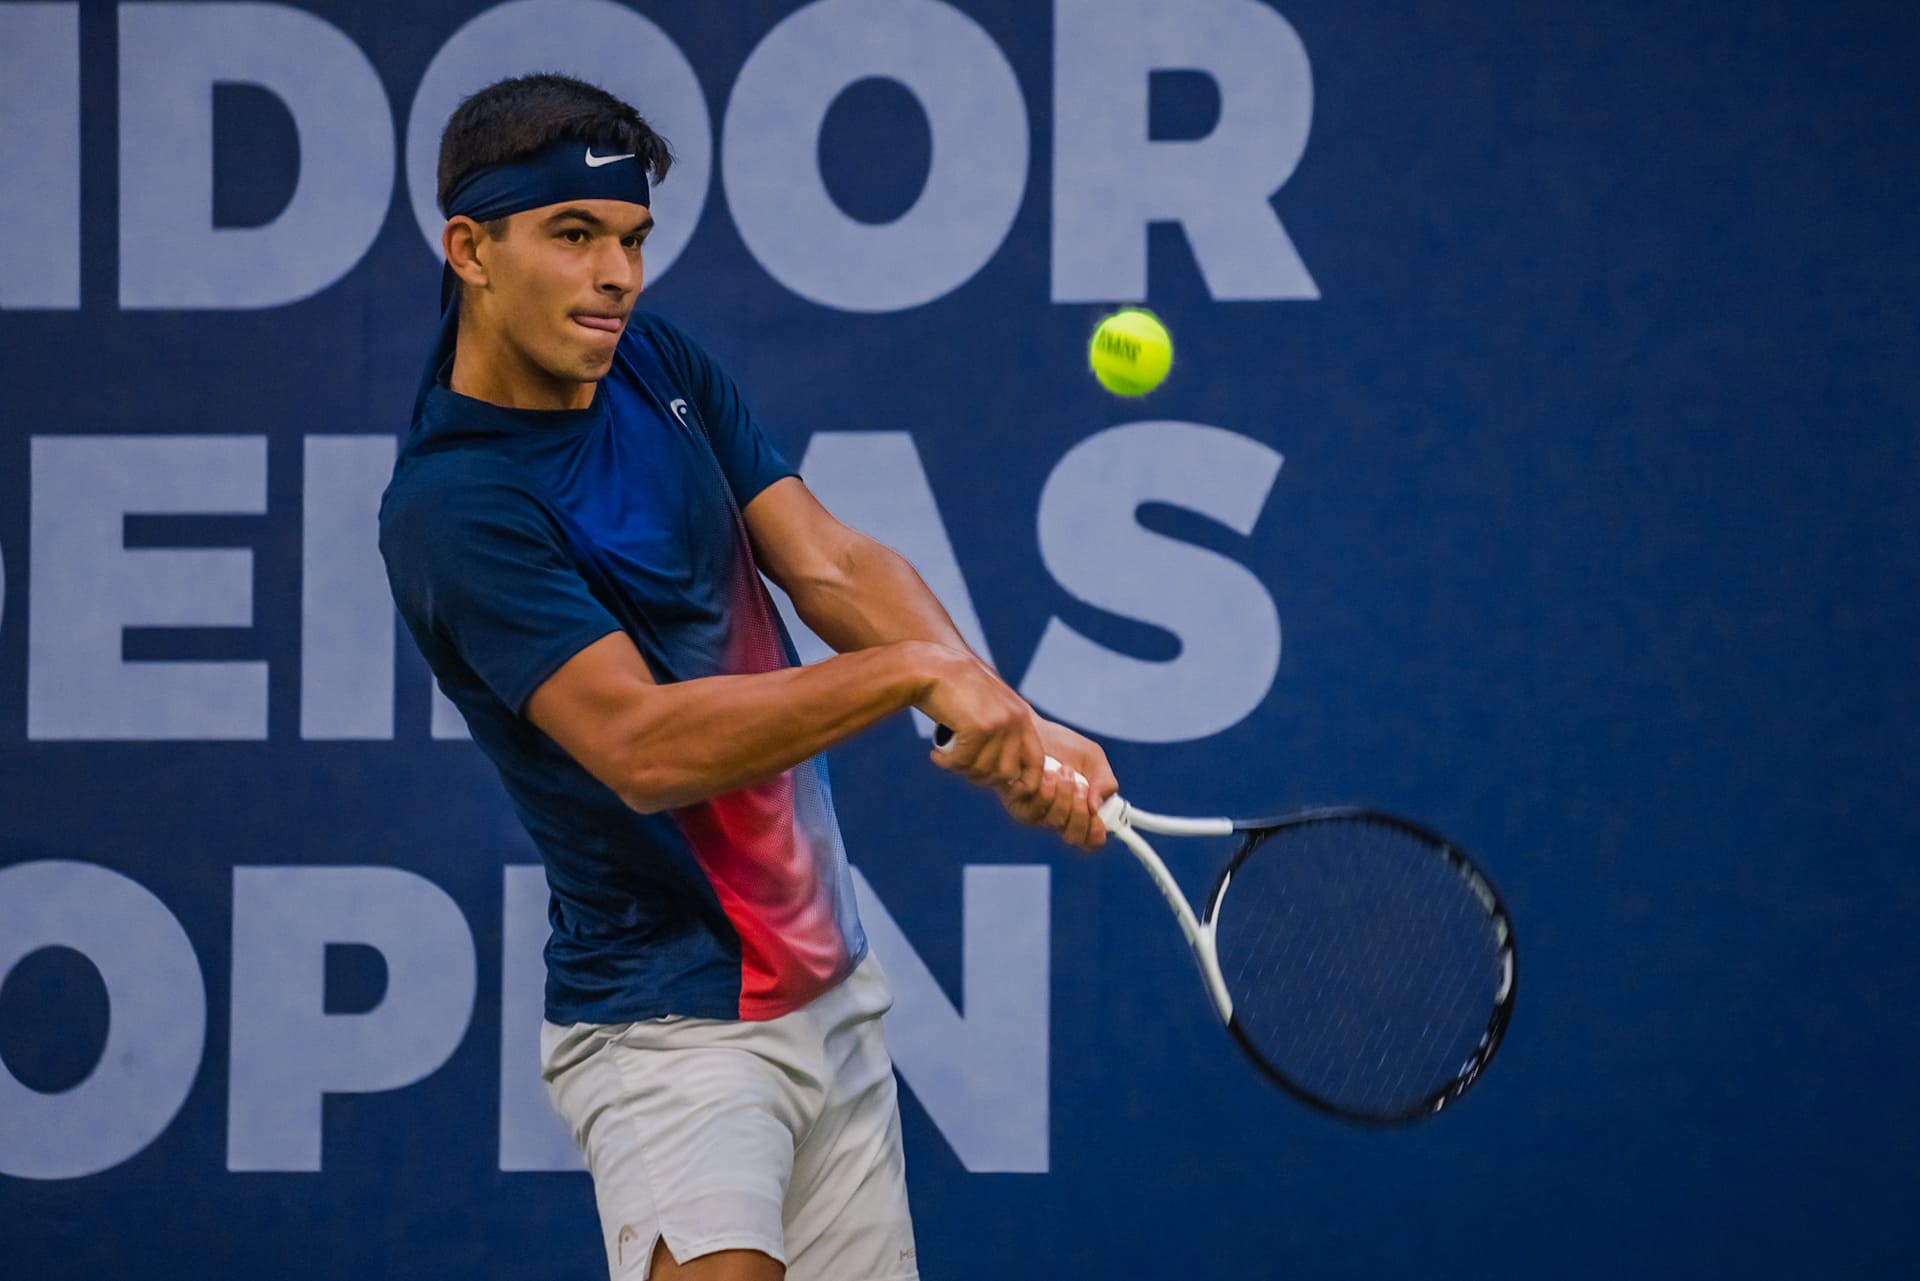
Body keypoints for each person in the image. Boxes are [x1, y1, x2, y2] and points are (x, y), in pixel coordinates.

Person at [379, 73, 1118, 1281]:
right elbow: (643, 747)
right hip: (673, 1026)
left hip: (829, 992)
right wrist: (915, 673)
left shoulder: (655, 363)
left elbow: (827, 562)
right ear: (470, 250)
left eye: (631, 241)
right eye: (573, 235)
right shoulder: (457, 505)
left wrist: (1012, 721)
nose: (616, 276)